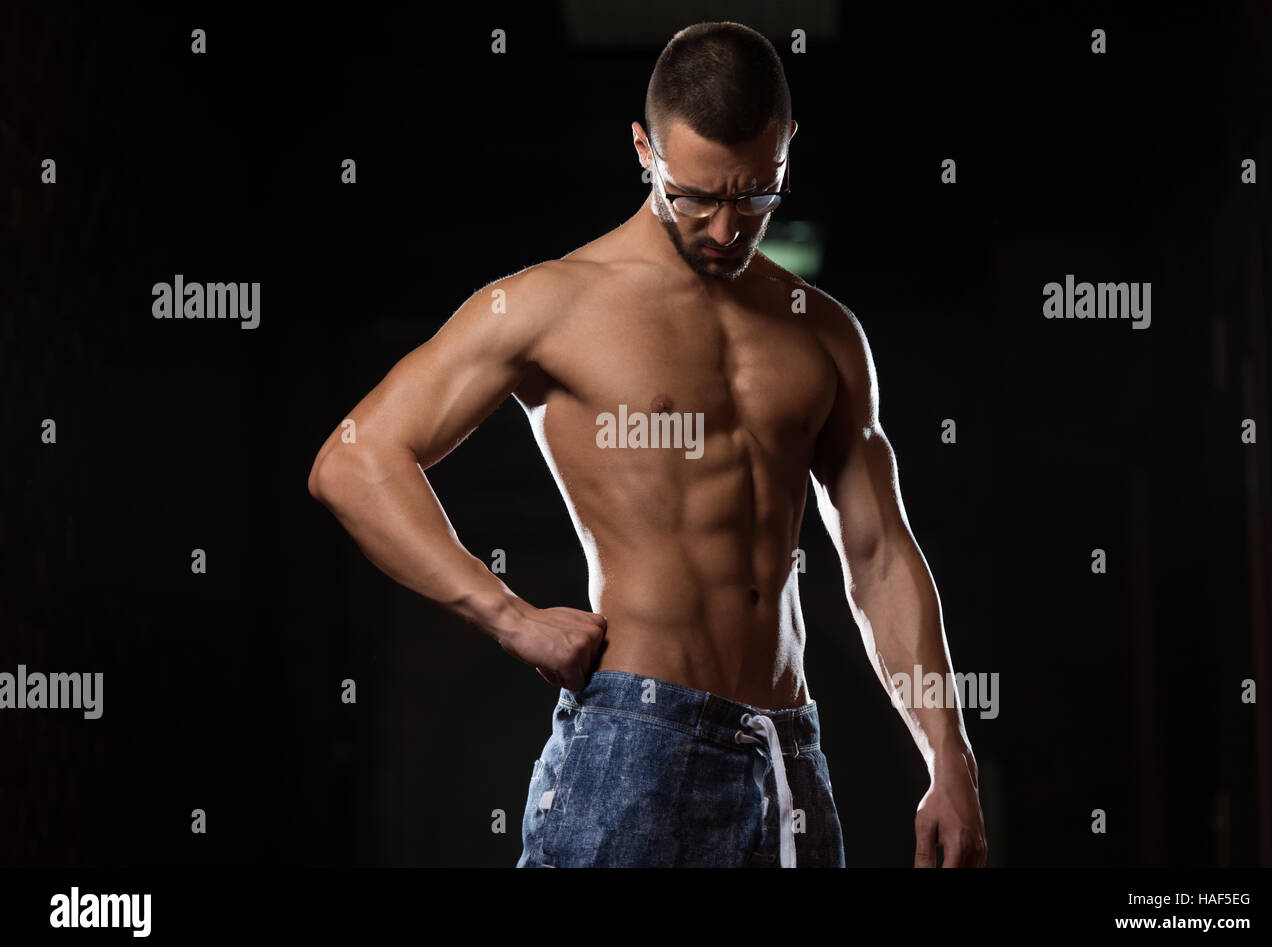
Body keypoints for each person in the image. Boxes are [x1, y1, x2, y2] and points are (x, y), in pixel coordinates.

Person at [307, 20, 987, 868]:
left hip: (788, 759)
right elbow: (354, 460)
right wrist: (507, 616)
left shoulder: (824, 334)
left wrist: (946, 756)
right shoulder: (551, 305)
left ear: (787, 148)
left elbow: (880, 554)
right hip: (635, 747)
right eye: (695, 196)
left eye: (756, 195)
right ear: (644, 149)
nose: (727, 228)